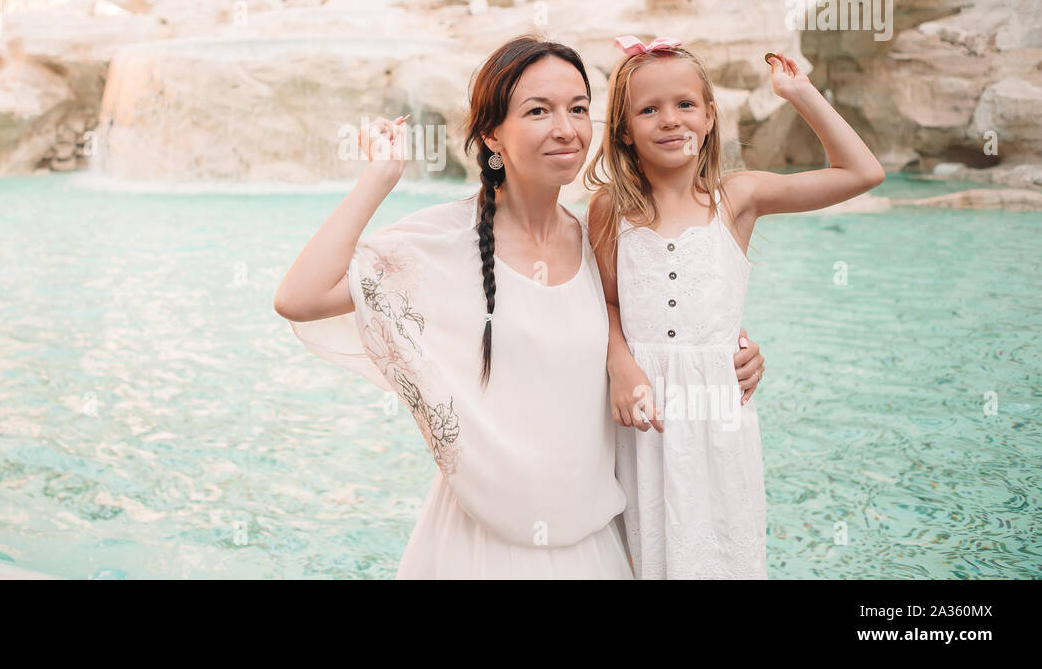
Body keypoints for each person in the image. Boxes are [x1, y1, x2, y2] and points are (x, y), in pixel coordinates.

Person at [274, 34, 767, 578]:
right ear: (492, 134)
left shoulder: (596, 239)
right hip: (482, 547)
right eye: (538, 111)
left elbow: (667, 326)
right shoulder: (446, 241)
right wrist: (381, 176)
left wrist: (735, 349)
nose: (566, 128)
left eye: (578, 109)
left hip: (591, 546)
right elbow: (300, 297)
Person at [586, 35, 885, 578]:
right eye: (648, 109)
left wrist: (799, 92)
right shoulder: (611, 207)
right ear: (624, 130)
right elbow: (606, 304)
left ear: (709, 114)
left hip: (719, 415)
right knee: (645, 551)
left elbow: (861, 174)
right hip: (642, 415)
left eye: (685, 104)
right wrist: (621, 364)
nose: (670, 120)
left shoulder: (738, 198)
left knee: (721, 551)